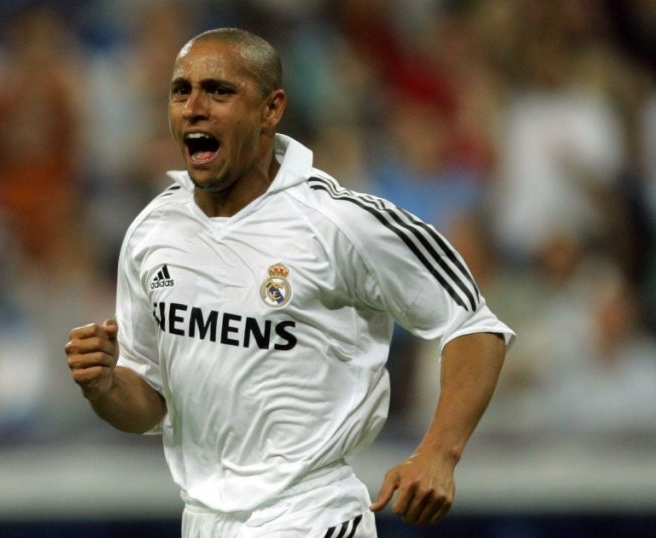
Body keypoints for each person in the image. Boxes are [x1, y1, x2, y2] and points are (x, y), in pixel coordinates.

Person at [66, 28, 513, 537]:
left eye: (218, 91)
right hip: (203, 521)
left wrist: (439, 453)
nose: (193, 108)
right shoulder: (153, 232)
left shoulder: (340, 222)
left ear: (271, 109)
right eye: (181, 90)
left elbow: (474, 326)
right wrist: (105, 386)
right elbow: (151, 405)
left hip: (312, 515)